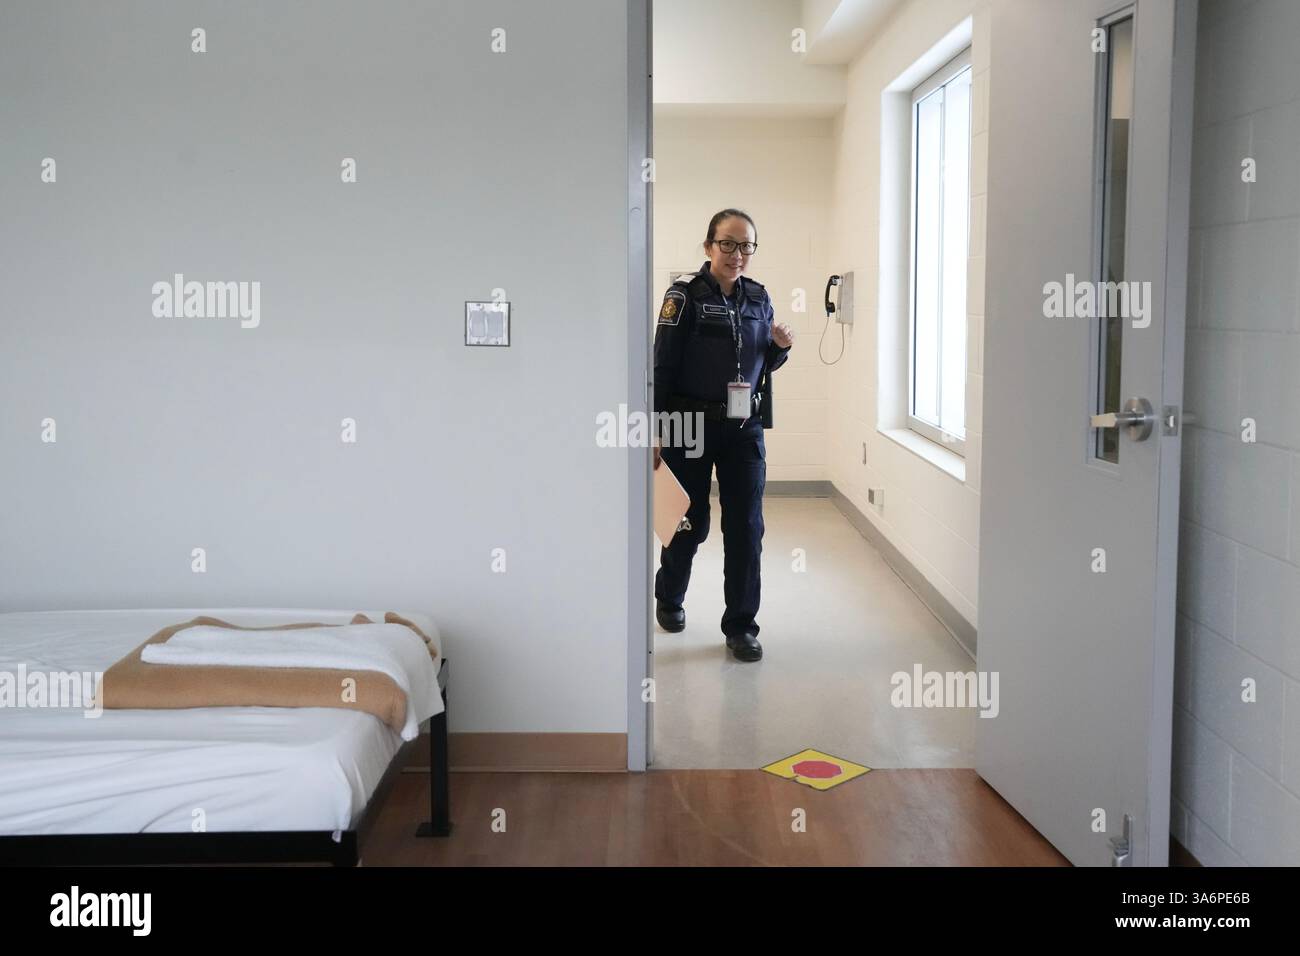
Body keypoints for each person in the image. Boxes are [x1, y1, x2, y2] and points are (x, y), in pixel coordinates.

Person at [651, 208, 794, 662]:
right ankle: (669, 595)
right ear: (710, 246)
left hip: (742, 429)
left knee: (746, 527)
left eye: (746, 245)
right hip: (688, 424)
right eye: (728, 244)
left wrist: (779, 349)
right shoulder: (683, 296)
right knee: (689, 524)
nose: (737, 254)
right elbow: (662, 365)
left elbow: (760, 365)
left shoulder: (758, 297)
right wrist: (654, 428)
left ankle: (741, 627)